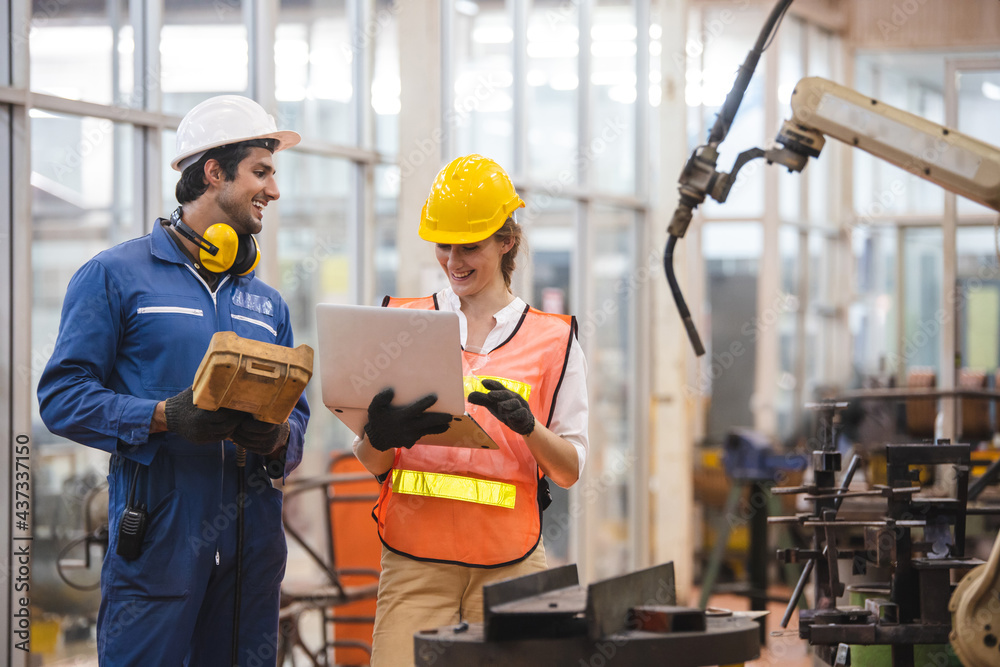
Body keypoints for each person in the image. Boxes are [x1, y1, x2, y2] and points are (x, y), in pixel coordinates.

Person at [37, 95, 310, 666]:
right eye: (261, 172)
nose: (274, 191)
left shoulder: (266, 302)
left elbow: (298, 411)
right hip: (159, 543)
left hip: (251, 550)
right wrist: (162, 416)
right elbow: (62, 396)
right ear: (214, 171)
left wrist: (280, 438)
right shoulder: (115, 276)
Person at [353, 154, 589, 667]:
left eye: (470, 246)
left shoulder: (554, 340)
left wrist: (530, 429)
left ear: (507, 241)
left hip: (511, 568)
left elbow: (568, 471)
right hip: (414, 562)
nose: (453, 260)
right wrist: (380, 435)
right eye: (444, 245)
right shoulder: (402, 321)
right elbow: (372, 463)